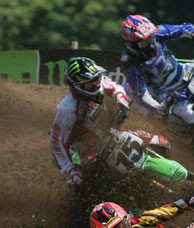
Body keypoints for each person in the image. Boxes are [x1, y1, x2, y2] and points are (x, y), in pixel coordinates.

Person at [118, 14, 194, 154]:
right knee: (186, 112)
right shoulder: (129, 62)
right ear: (131, 45)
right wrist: (157, 107)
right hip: (164, 91)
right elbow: (141, 93)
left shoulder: (158, 32)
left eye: (151, 38)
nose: (151, 44)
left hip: (182, 70)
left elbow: (182, 28)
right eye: (144, 43)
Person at [50, 56, 168, 188]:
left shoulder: (96, 82)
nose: (97, 85)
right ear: (78, 86)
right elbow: (57, 143)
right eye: (91, 84)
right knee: (99, 182)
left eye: (98, 79)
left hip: (112, 135)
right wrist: (71, 170)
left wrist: (120, 99)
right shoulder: (68, 110)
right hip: (88, 152)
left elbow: (114, 87)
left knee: (160, 141)